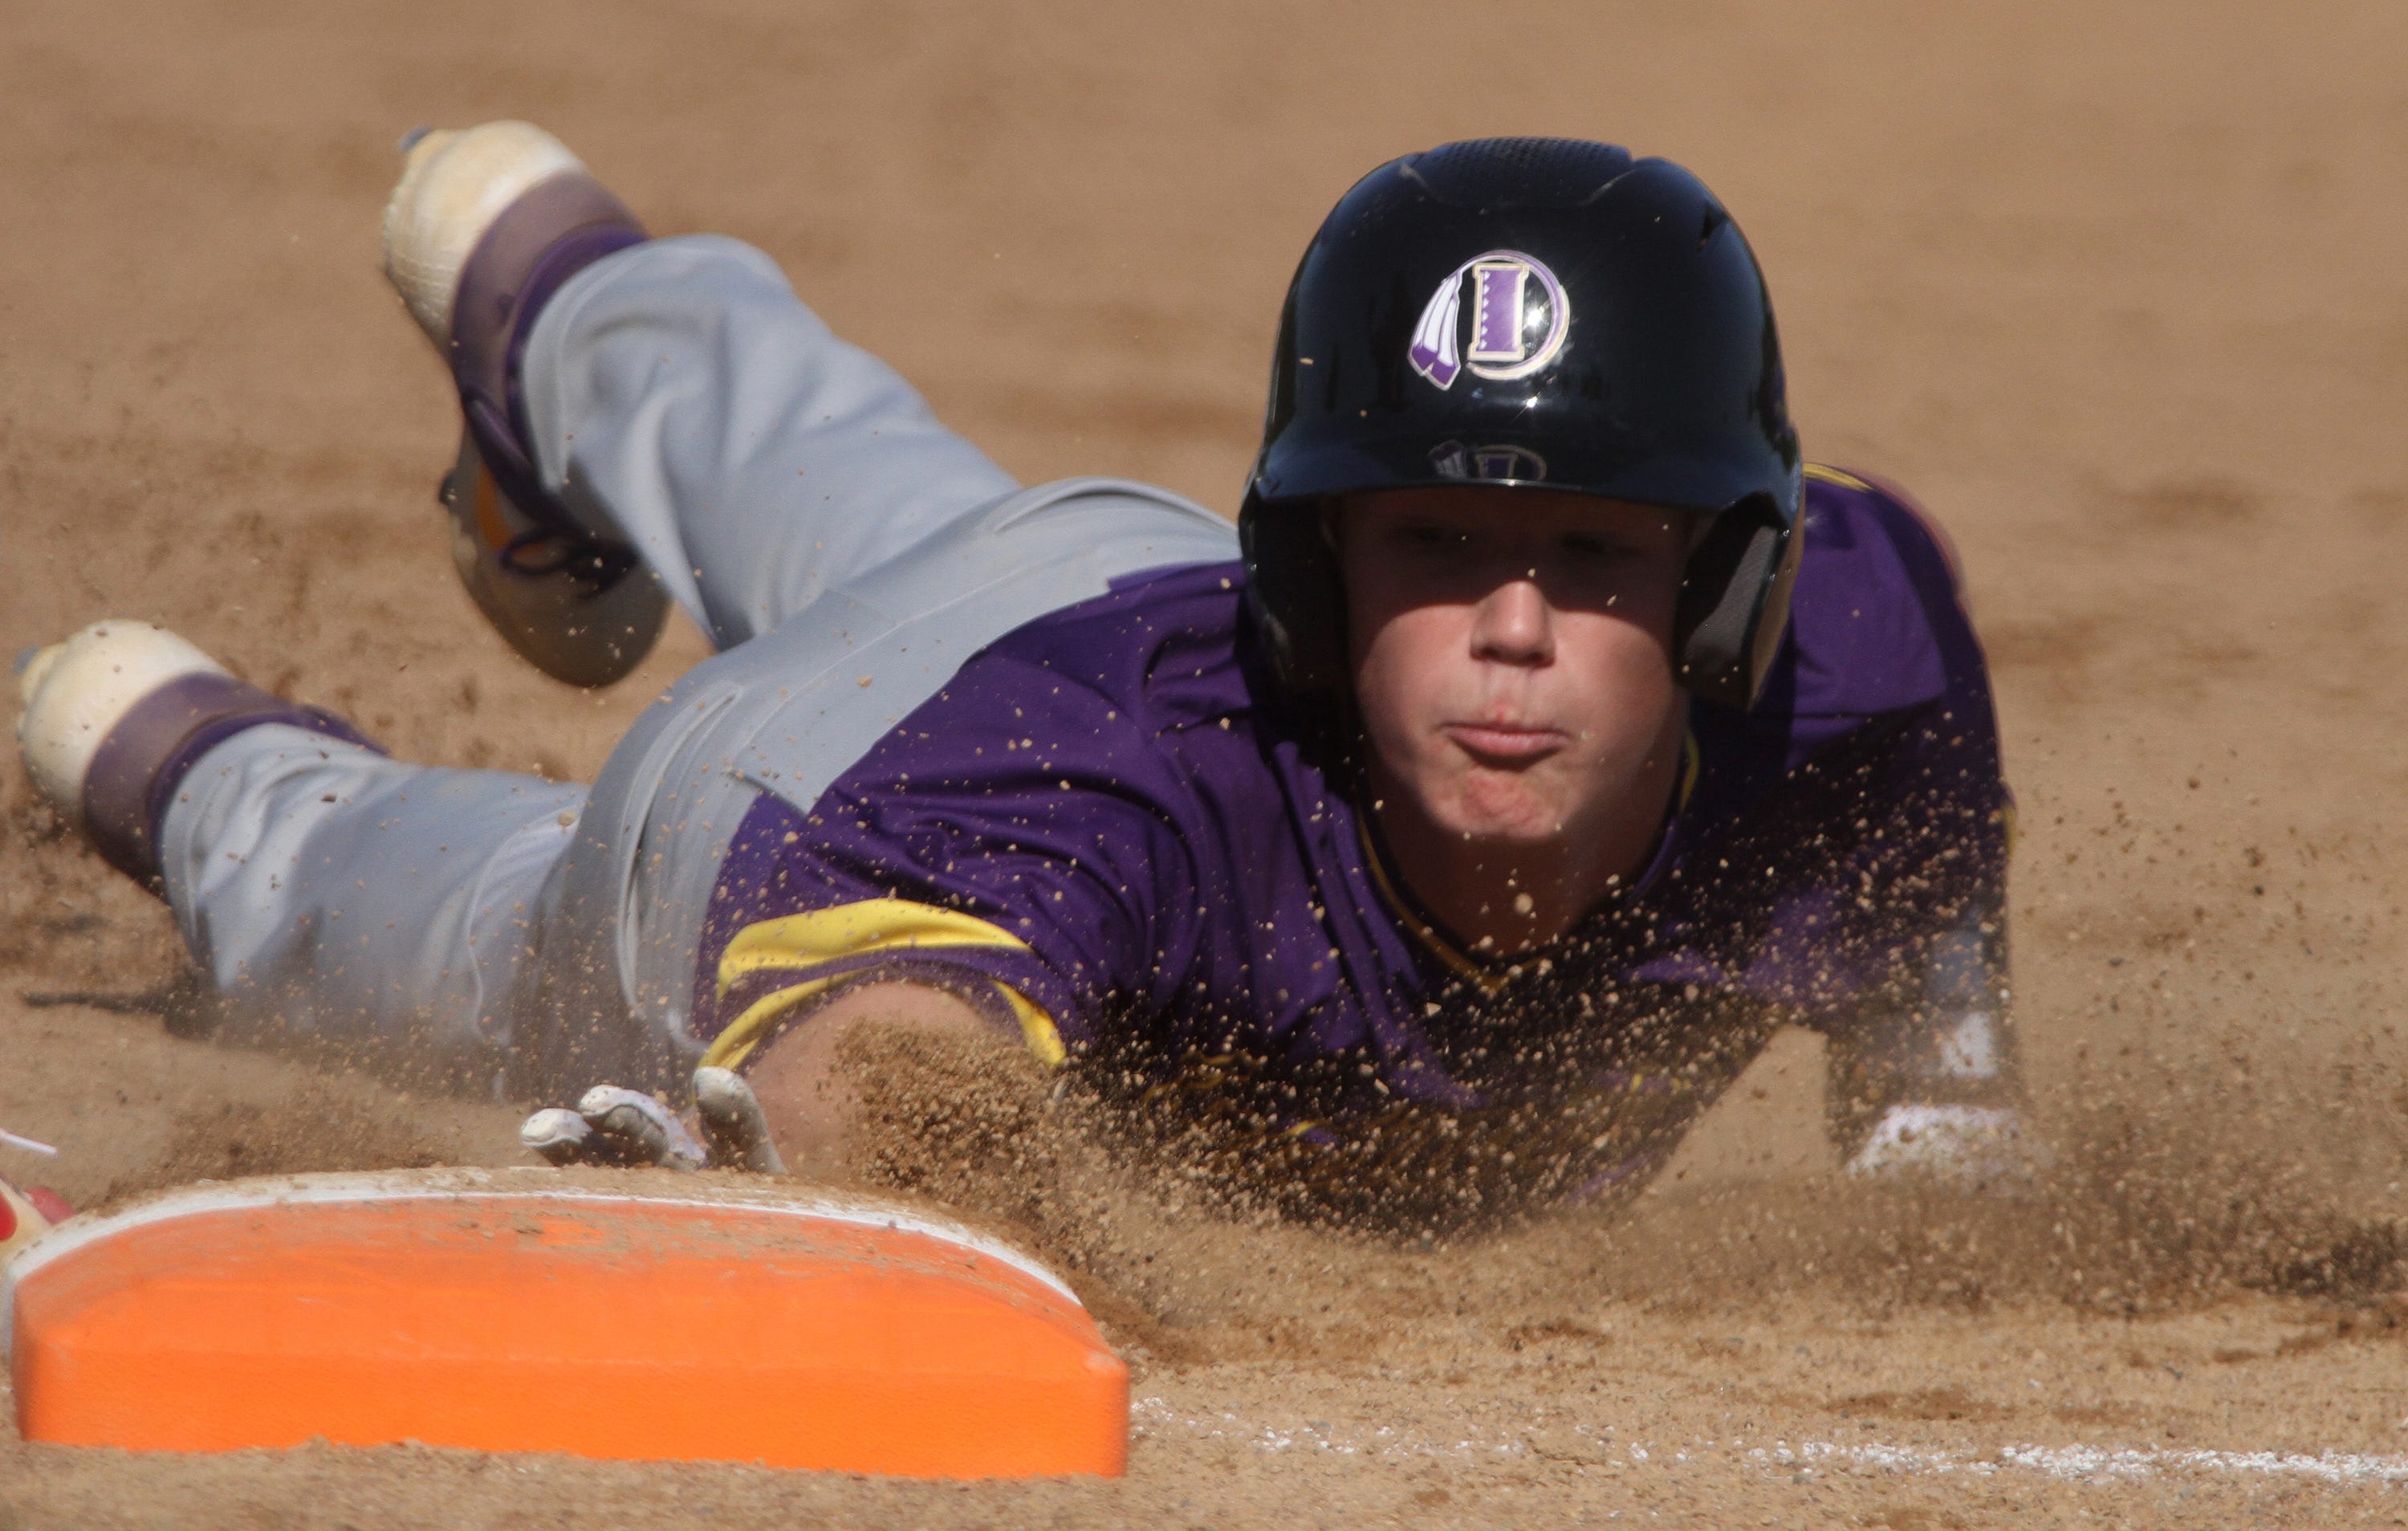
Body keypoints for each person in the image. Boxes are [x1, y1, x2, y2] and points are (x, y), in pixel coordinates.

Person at [14, 126, 2031, 1228]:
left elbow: (1911, 761)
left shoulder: (1851, 662)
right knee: (495, 925)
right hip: (788, 792)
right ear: (1316, 573)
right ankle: (214, 776)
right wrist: (856, 1136)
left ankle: (564, 292)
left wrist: (1940, 1061)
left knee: (882, 490)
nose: (1513, 621)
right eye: (1433, 539)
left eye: (1592, 554)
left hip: (1090, 581)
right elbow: (899, 1052)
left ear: (1731, 591)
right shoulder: (1112, 784)